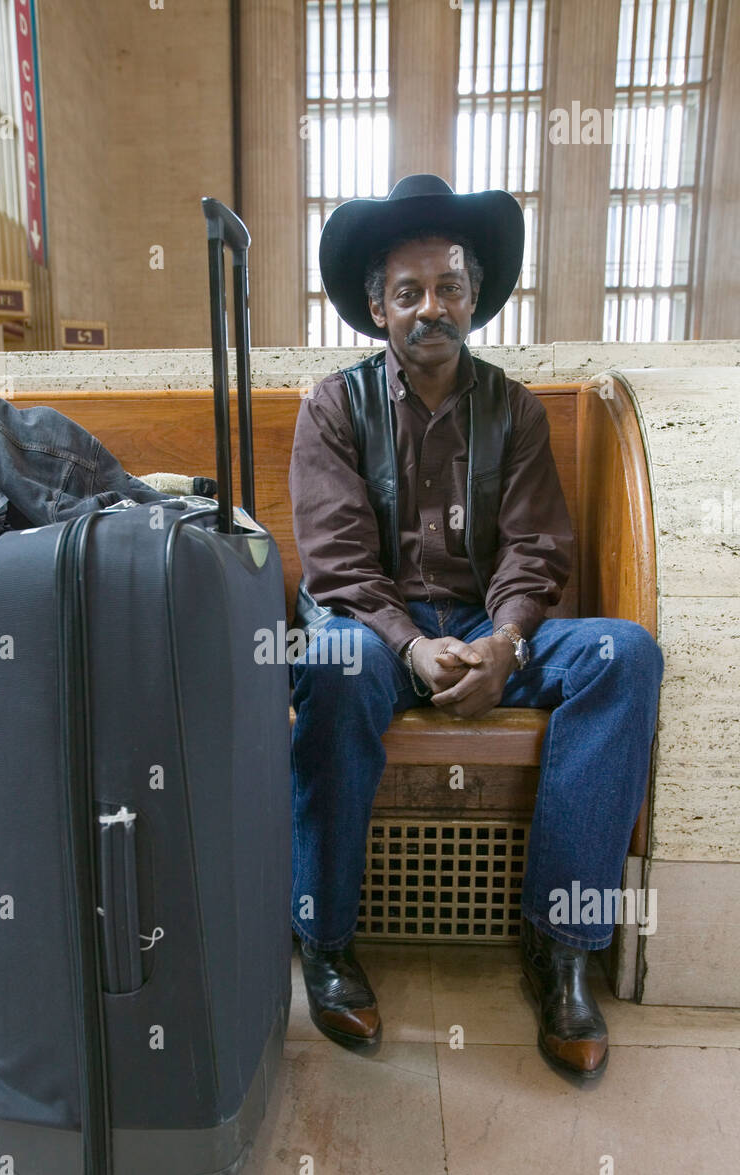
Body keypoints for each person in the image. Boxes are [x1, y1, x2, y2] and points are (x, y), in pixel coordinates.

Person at [289, 174, 664, 1080]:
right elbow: (337, 565)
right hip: (377, 634)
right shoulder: (333, 408)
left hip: (489, 630)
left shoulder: (517, 411)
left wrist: (506, 642)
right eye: (409, 292)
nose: (431, 309)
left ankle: (561, 944)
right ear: (378, 307)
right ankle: (327, 936)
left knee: (625, 654)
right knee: (334, 661)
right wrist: (412, 644)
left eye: (449, 287)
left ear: (475, 297)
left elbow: (537, 549)